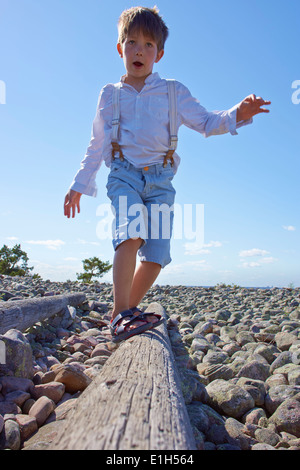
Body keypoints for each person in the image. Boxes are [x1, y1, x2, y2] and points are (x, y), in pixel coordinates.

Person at [64, 6, 271, 342]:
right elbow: (96, 143)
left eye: (148, 45)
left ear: (159, 53)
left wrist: (239, 112)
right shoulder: (110, 95)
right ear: (120, 49)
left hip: (161, 181)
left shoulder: (173, 91)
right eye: (132, 42)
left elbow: (206, 122)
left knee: (157, 255)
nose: (139, 50)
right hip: (124, 173)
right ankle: (120, 315)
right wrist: (78, 184)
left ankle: (124, 312)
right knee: (130, 233)